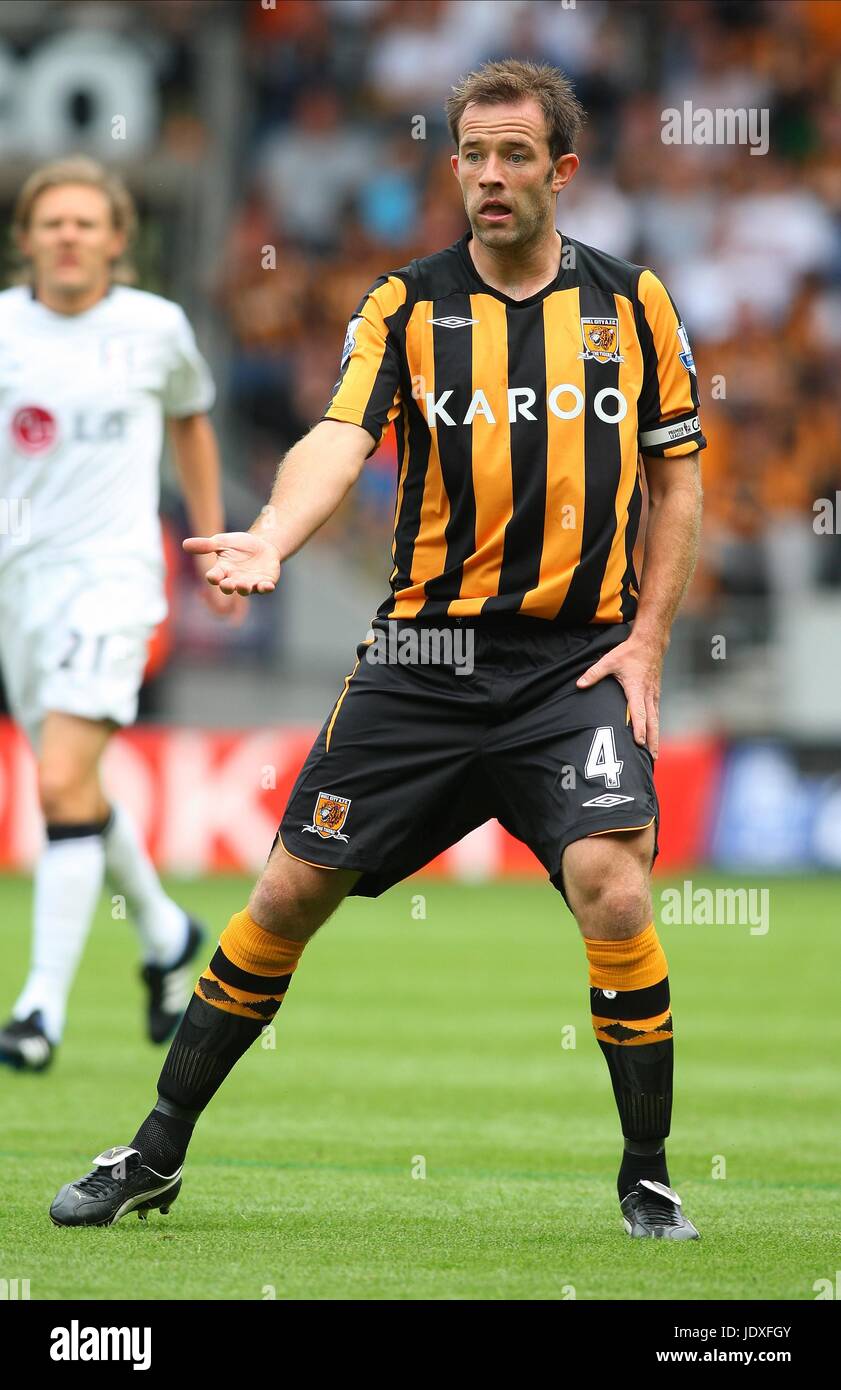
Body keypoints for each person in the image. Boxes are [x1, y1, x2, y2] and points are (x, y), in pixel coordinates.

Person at [50, 61, 705, 1239]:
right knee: (289, 889)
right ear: (450, 163)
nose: (489, 177)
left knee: (614, 883)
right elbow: (338, 437)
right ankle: (152, 1151)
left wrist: (648, 641)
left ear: (561, 169)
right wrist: (270, 536)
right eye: (470, 154)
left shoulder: (633, 304)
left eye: (513, 156)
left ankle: (646, 1174)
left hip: (576, 664)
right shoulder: (405, 305)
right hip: (424, 662)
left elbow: (677, 476)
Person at [0, 156, 241, 1072]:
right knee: (74, 786)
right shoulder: (4, 329)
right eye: (51, 222)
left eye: (85, 222)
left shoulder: (154, 328)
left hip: (113, 578)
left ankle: (38, 1012)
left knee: (60, 780)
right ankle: (167, 933)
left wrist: (214, 540)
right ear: (26, 240)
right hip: (19, 588)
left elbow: (192, 418)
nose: (68, 235)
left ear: (116, 241)